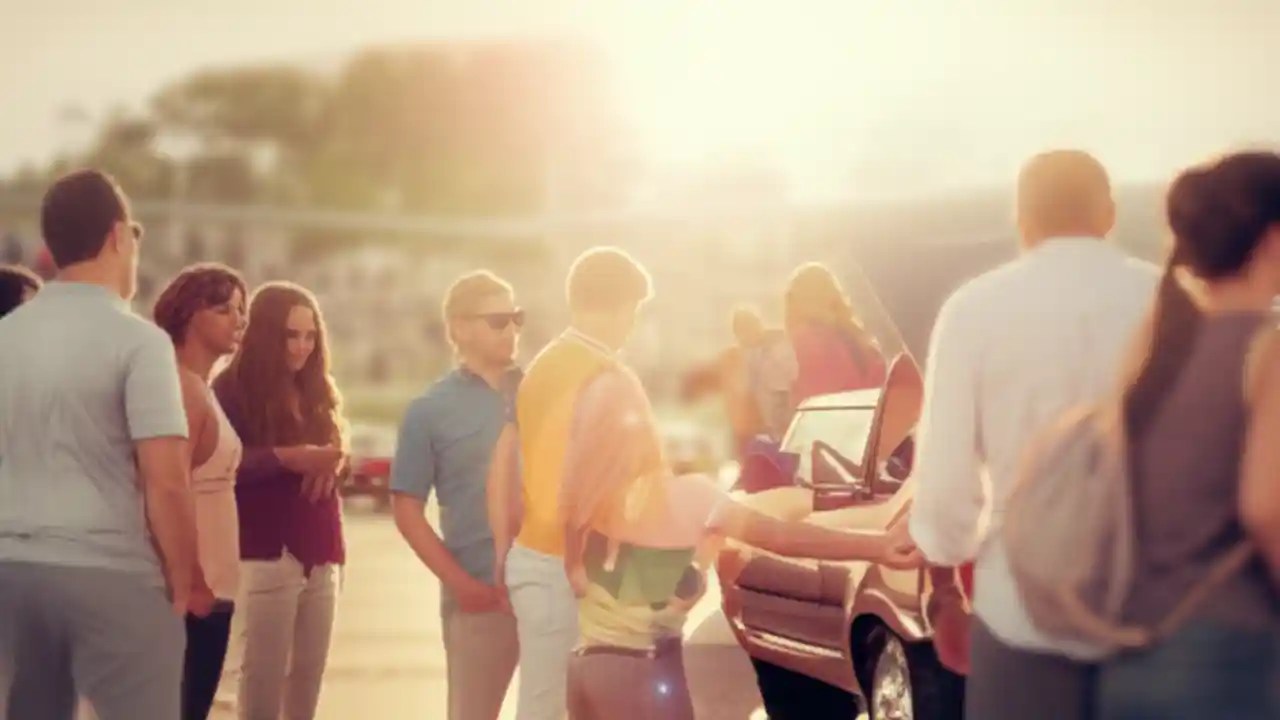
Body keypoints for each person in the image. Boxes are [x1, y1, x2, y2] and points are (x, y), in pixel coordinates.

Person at [558, 323, 922, 720]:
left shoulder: (582, 507)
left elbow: (586, 582)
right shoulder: (689, 496)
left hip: (586, 670)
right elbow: (785, 538)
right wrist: (877, 545)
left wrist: (687, 574)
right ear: (644, 423)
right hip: (643, 673)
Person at [906, 150, 1159, 719]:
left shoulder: (972, 310)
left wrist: (946, 586)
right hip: (1153, 613)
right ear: (1109, 214)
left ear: (1021, 218)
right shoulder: (1169, 300)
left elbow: (945, 481)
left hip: (1017, 605)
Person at [0, 169, 207, 719]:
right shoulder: (139, 342)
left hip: (12, 571)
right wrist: (181, 587)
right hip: (108, 572)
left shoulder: (6, 336)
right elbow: (166, 481)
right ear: (119, 236)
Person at [1095, 152, 1280, 719]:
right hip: (1229, 654)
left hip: (1129, 656)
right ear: (1273, 238)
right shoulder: (1266, 348)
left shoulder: (1153, 349)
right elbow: (1265, 506)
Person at [486, 247, 649, 720]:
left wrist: (505, 550)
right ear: (618, 306)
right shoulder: (600, 372)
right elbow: (588, 479)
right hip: (572, 567)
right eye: (633, 310)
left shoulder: (545, 365)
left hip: (541, 556)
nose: (633, 324)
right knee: (556, 707)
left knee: (545, 703)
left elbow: (505, 465)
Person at [212, 282, 348, 720]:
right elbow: (223, 465)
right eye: (292, 335)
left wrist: (332, 463)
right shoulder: (230, 390)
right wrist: (289, 458)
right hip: (267, 554)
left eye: (310, 336)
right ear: (268, 333)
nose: (302, 347)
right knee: (261, 687)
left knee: (306, 686)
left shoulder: (319, 389)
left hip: (323, 553)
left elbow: (333, 456)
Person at [391, 271, 522, 720]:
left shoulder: (542, 390)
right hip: (481, 595)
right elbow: (406, 509)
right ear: (460, 327)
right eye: (499, 320)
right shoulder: (429, 411)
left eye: (516, 318)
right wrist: (462, 585)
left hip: (554, 590)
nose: (512, 330)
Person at [152, 264, 249, 720]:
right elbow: (166, 486)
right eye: (224, 309)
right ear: (190, 313)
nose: (239, 319)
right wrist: (190, 580)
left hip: (209, 590)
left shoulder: (200, 389)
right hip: (193, 595)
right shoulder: (183, 390)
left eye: (241, 310)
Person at [784, 262, 887, 406]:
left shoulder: (846, 329)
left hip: (861, 416)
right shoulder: (806, 338)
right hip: (852, 418)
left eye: (824, 285)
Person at [732, 306, 797, 443]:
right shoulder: (743, 356)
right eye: (741, 330)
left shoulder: (779, 346)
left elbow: (787, 382)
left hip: (783, 416)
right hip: (763, 424)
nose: (746, 334)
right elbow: (744, 389)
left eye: (749, 326)